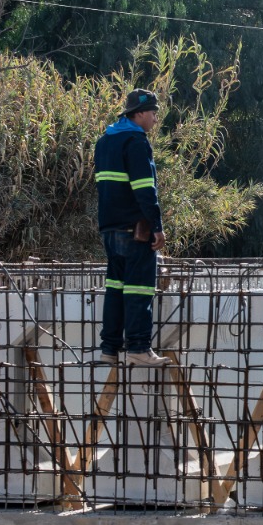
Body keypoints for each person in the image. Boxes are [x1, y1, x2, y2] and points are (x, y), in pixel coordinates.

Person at [95, 89, 167, 365]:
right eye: (152, 113)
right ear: (138, 114)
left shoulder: (105, 142)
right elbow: (144, 188)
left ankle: (109, 350)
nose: (154, 119)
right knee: (139, 288)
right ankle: (138, 347)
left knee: (115, 287)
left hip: (110, 228)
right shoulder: (136, 142)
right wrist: (157, 226)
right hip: (133, 229)